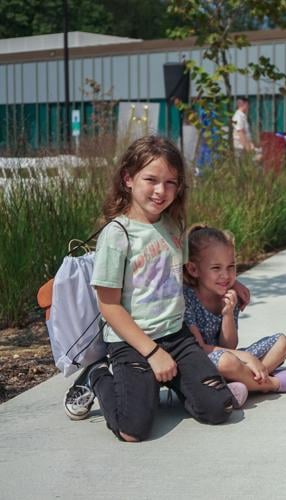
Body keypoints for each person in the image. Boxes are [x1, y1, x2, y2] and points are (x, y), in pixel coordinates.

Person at [61, 136, 243, 442]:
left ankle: (171, 383)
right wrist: (153, 352)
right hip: (132, 341)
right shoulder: (116, 235)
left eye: (171, 182)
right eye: (151, 180)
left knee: (218, 408)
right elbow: (109, 306)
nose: (161, 191)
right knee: (132, 429)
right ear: (128, 178)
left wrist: (235, 282)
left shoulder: (171, 226)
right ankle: (99, 375)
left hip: (176, 336)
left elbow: (185, 274)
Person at [184, 224, 286, 395]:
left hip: (231, 357)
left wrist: (227, 314)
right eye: (216, 268)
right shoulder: (187, 298)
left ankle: (240, 383)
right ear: (193, 269)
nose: (226, 275)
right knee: (227, 362)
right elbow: (199, 348)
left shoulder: (230, 296)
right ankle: (272, 383)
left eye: (231, 267)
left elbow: (229, 344)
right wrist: (247, 358)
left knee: (282, 342)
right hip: (206, 362)